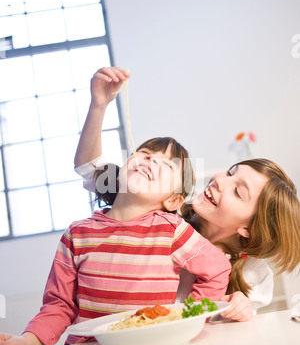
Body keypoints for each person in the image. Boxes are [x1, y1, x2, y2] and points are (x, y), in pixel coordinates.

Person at [74, 67, 300, 322]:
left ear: (248, 228)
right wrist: (99, 106)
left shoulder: (252, 276)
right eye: (229, 172)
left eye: (237, 191)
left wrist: (241, 307)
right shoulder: (154, 210)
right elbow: (89, 167)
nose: (218, 180)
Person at [0, 121, 232, 345]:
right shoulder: (77, 233)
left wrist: (187, 319)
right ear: (121, 171)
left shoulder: (172, 229)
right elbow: (59, 306)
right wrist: (27, 343)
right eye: (145, 154)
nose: (151, 160)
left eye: (165, 164)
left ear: (173, 200)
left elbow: (218, 268)